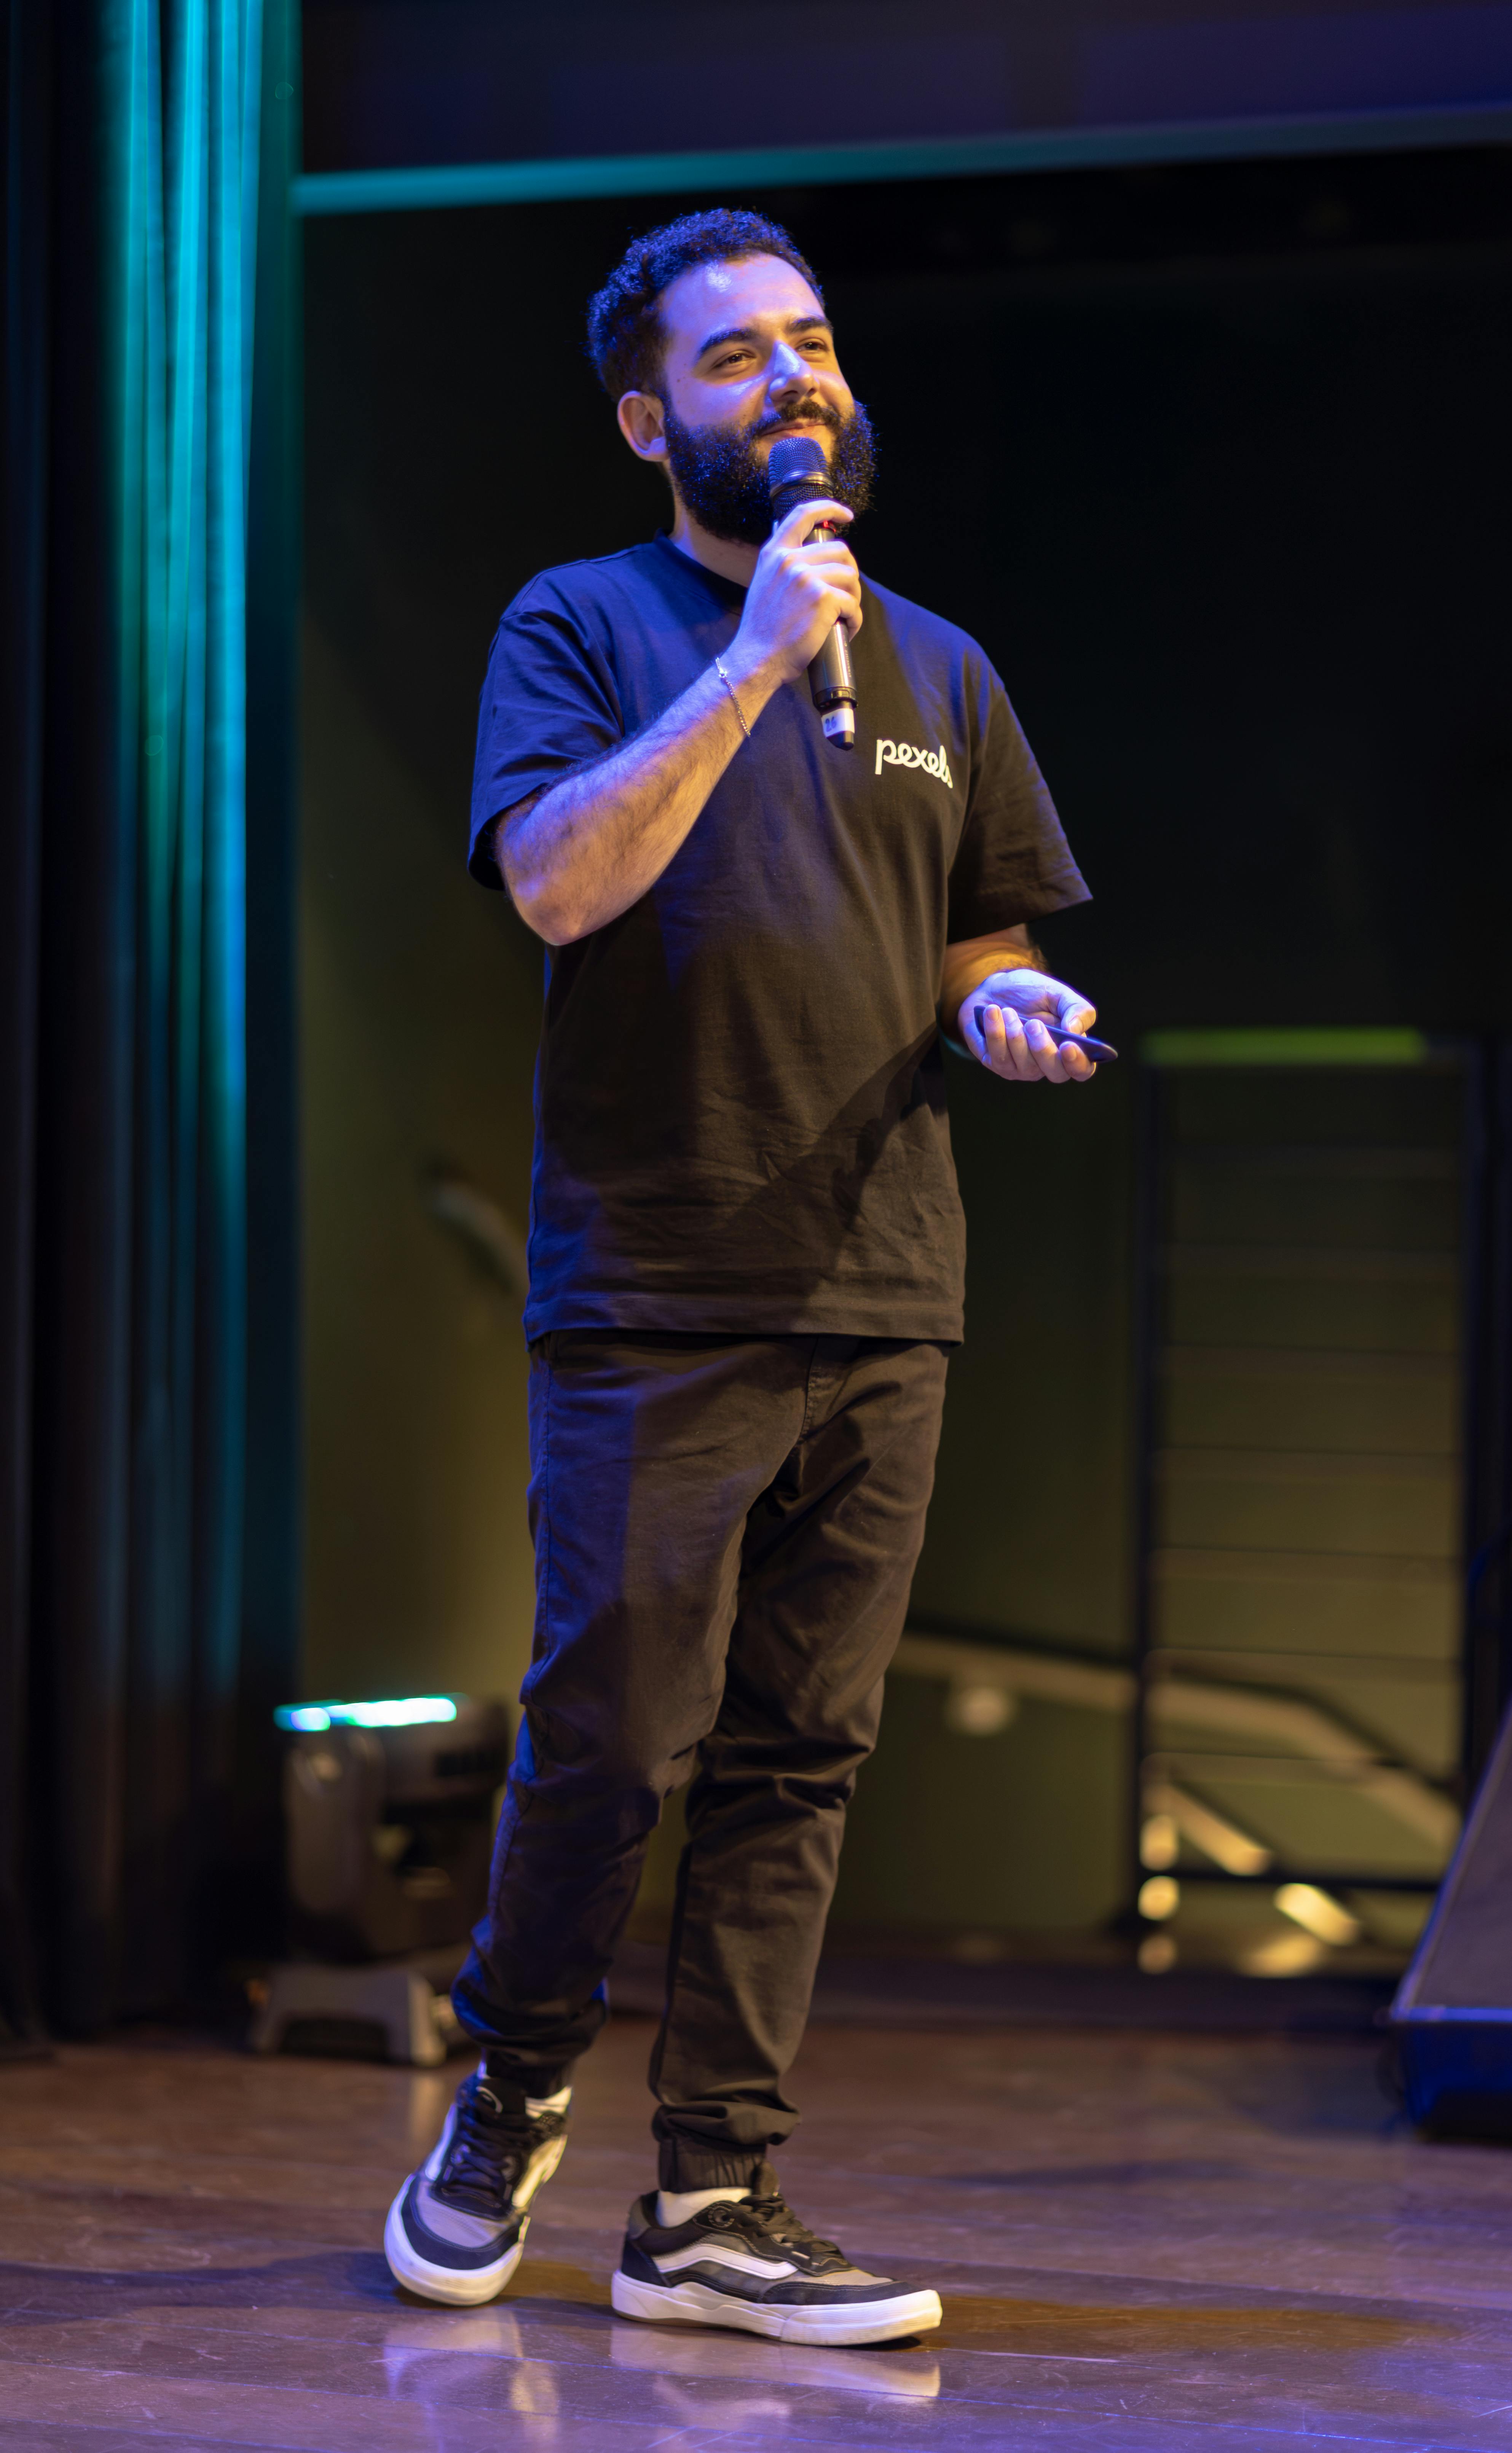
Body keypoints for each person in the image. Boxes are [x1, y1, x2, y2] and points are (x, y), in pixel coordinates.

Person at [385, 207, 1096, 2344]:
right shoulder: (584, 624)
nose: (791, 381)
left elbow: (983, 927)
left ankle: (713, 2199)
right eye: (731, 360)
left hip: (883, 1283)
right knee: (612, 1740)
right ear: (646, 419)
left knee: (799, 1756)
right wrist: (757, 658)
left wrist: (1007, 1007)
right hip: (655, 1277)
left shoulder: (946, 668)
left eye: (808, 344)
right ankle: (504, 2101)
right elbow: (556, 882)